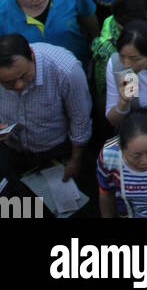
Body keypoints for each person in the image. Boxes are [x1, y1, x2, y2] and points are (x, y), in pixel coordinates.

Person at [0, 34, 92, 182]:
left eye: (23, 76)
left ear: (31, 55)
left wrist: (76, 160)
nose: (19, 86)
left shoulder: (65, 70)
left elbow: (80, 118)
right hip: (11, 150)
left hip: (56, 152)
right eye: (8, 83)